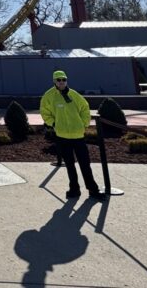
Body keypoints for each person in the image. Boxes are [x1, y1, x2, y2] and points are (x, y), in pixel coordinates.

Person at [40, 70, 103, 200]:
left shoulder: (74, 95)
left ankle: (93, 190)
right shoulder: (49, 96)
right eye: (59, 80)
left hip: (78, 136)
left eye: (64, 79)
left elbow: (85, 108)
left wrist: (84, 124)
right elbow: (44, 112)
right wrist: (54, 123)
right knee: (69, 165)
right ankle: (74, 189)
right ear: (54, 81)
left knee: (85, 164)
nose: (62, 82)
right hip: (62, 136)